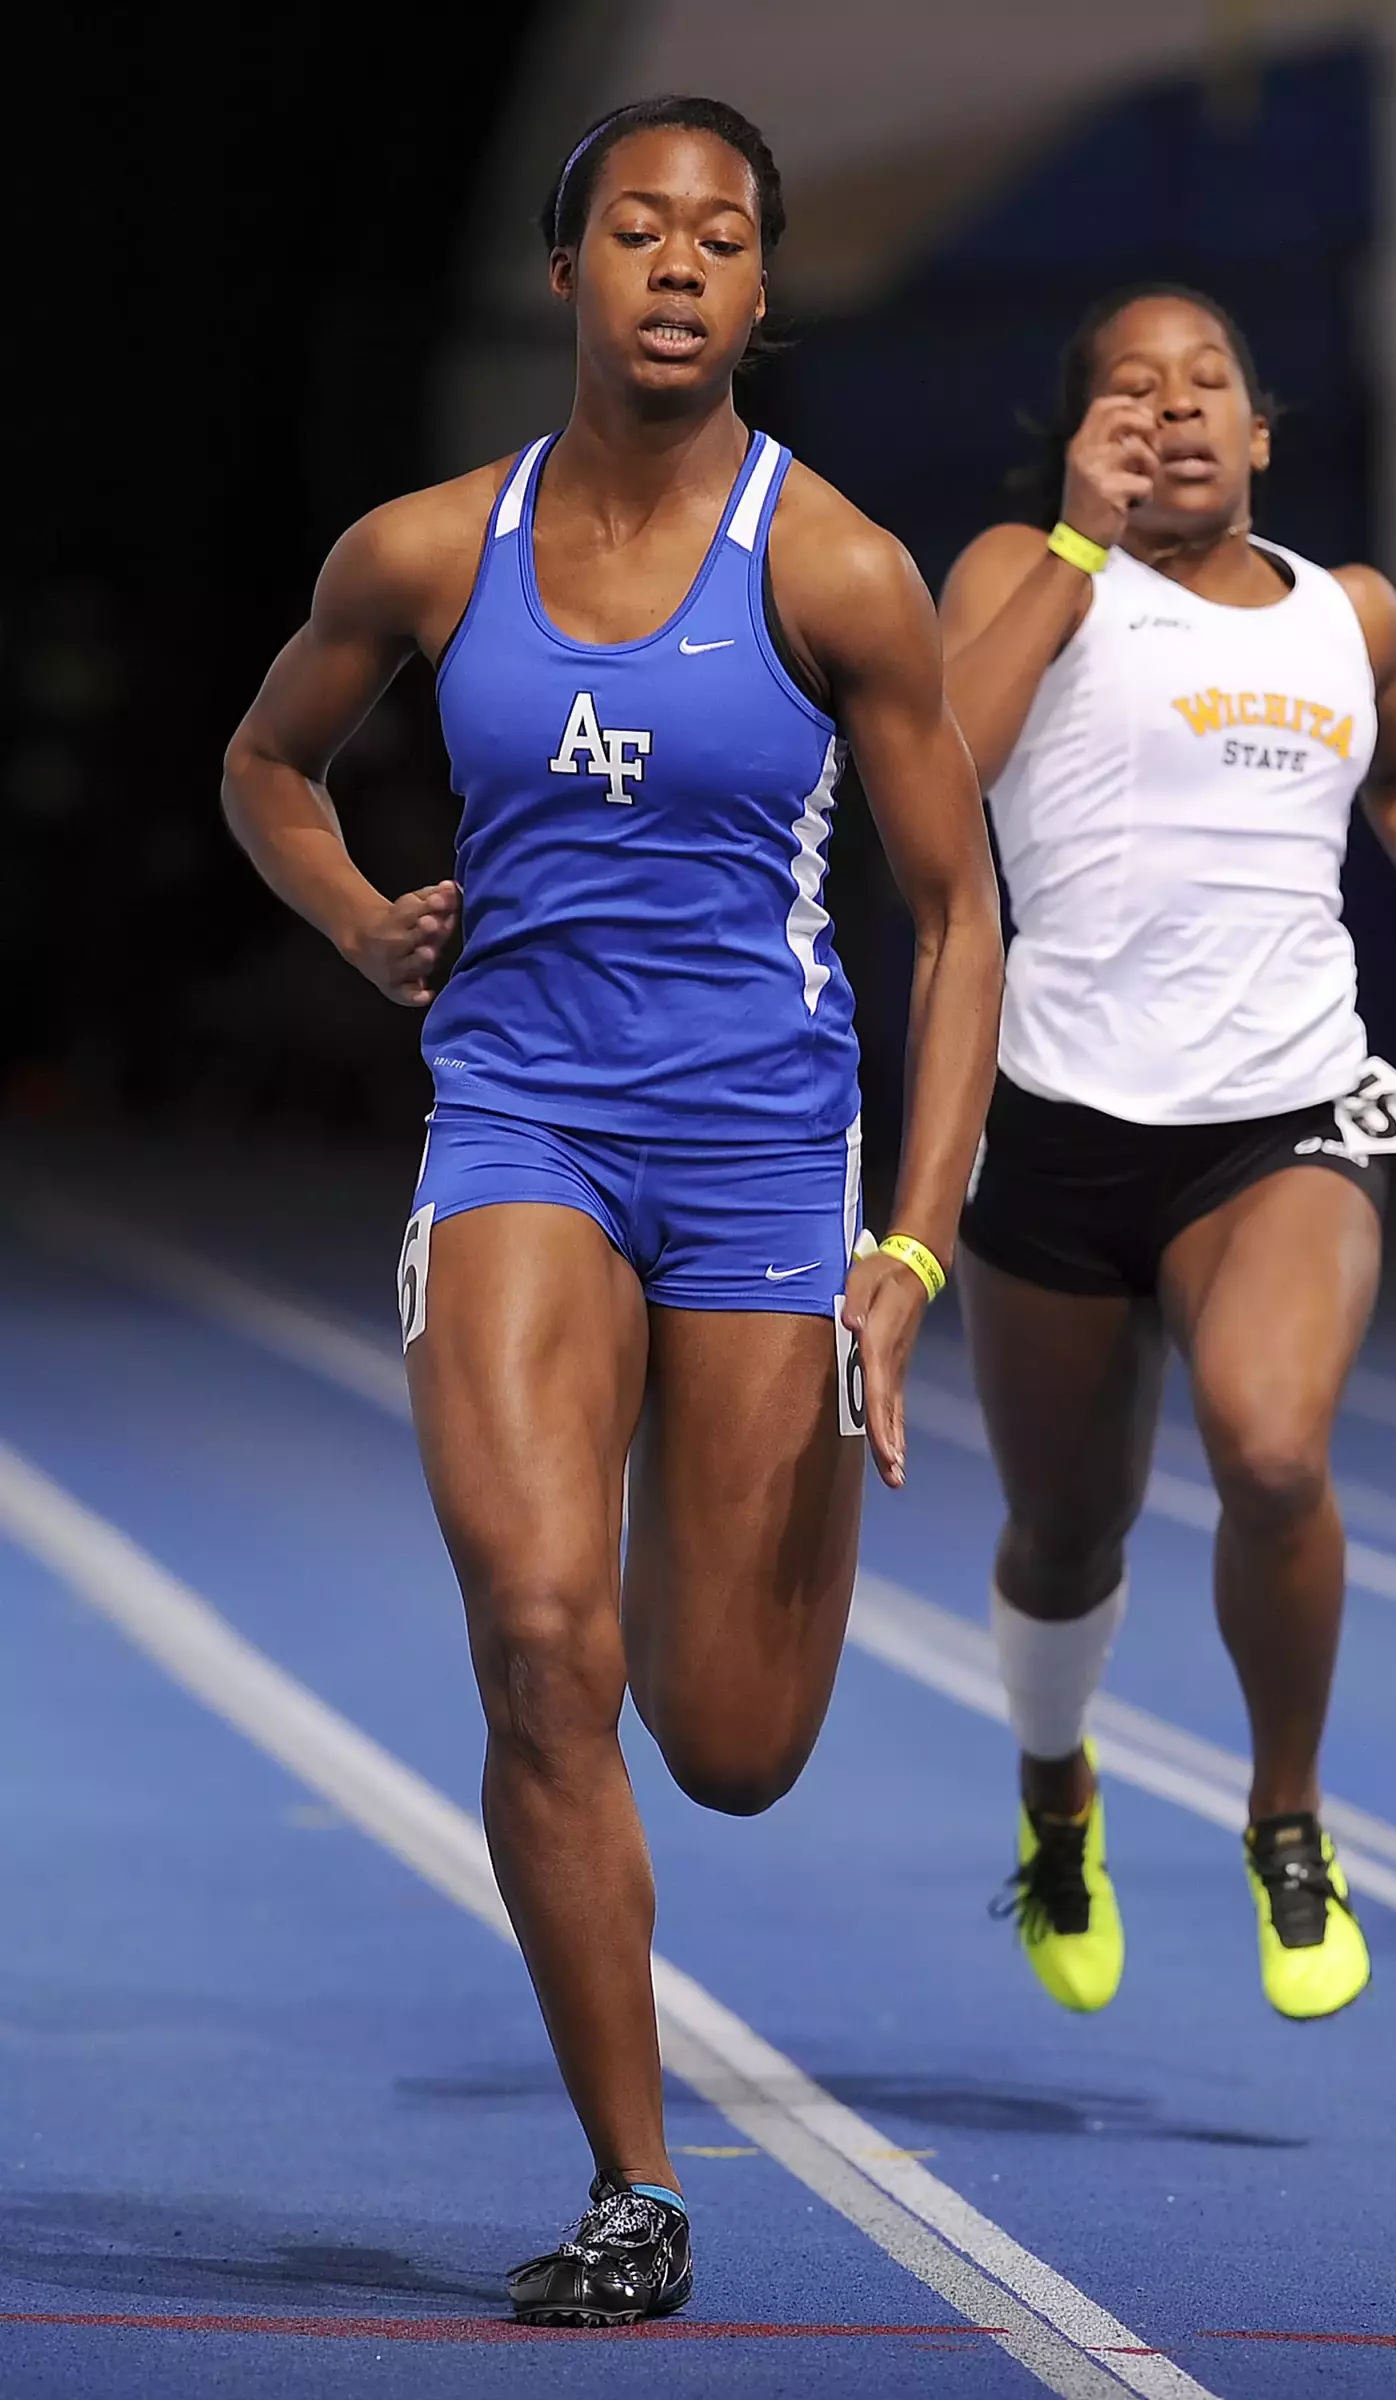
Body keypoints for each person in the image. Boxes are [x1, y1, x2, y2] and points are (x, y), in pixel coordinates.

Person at [222, 95, 1001, 2323]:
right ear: (565, 277)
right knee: (545, 1645)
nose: (676, 263)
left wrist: (907, 1253)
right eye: (635, 230)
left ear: (760, 296)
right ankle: (632, 2190)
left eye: (721, 237)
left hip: (763, 1152)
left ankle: (771, 1459)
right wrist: (365, 919)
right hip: (521, 1134)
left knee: (731, 1744)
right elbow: (262, 764)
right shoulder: (424, 552)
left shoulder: (833, 565)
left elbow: (959, 929)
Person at [939, 283, 1396, 2026]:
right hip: (1053, 1123)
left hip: (1283, 1115)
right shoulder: (1018, 573)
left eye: (1210, 386)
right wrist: (1072, 541)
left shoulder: (1347, 614)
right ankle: (1059, 1804)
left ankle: (1288, 1814)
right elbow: (937, 770)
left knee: (1272, 1449)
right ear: (1080, 437)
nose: (1176, 407)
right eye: (1133, 386)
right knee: (1066, 1531)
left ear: (1263, 433)